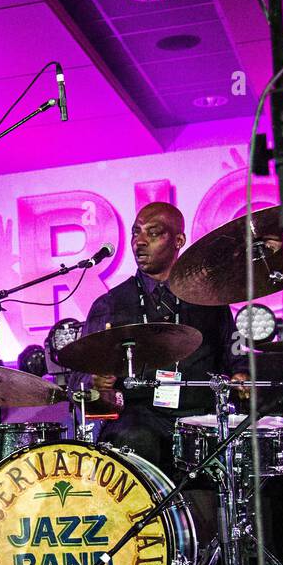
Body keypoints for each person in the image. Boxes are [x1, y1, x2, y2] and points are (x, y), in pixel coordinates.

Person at [75, 202, 245, 481]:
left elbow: (235, 354)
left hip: (201, 417)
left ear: (179, 241)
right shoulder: (110, 304)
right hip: (140, 417)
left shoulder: (210, 299)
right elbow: (78, 379)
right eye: (136, 232)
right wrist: (94, 381)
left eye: (153, 233)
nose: (139, 241)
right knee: (134, 438)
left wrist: (242, 374)